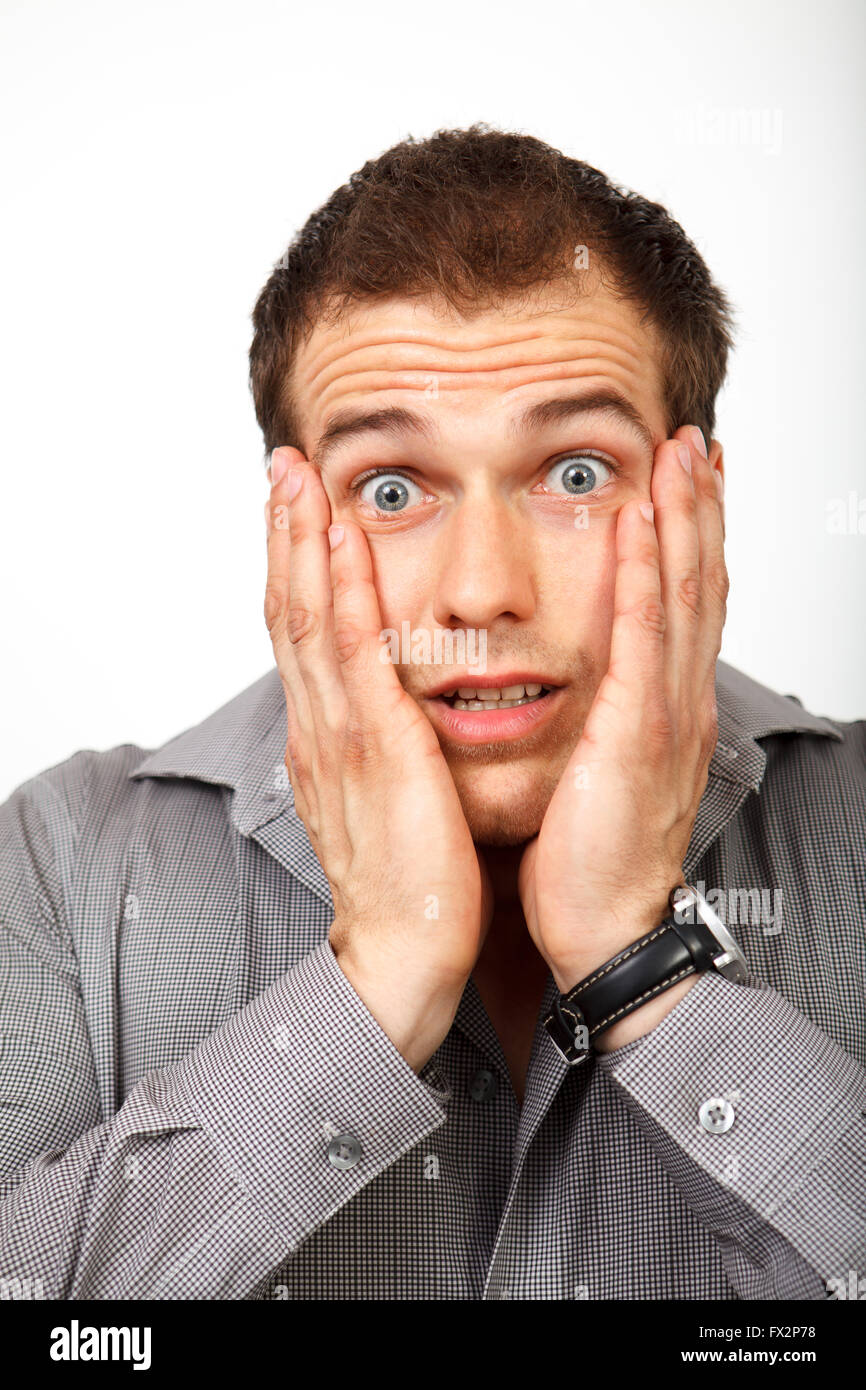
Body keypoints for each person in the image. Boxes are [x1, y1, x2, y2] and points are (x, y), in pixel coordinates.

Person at [1, 124, 863, 1301]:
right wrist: (374, 981)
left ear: (695, 498)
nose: (478, 590)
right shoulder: (56, 864)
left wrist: (639, 966)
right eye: (393, 489)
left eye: (573, 474)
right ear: (290, 526)